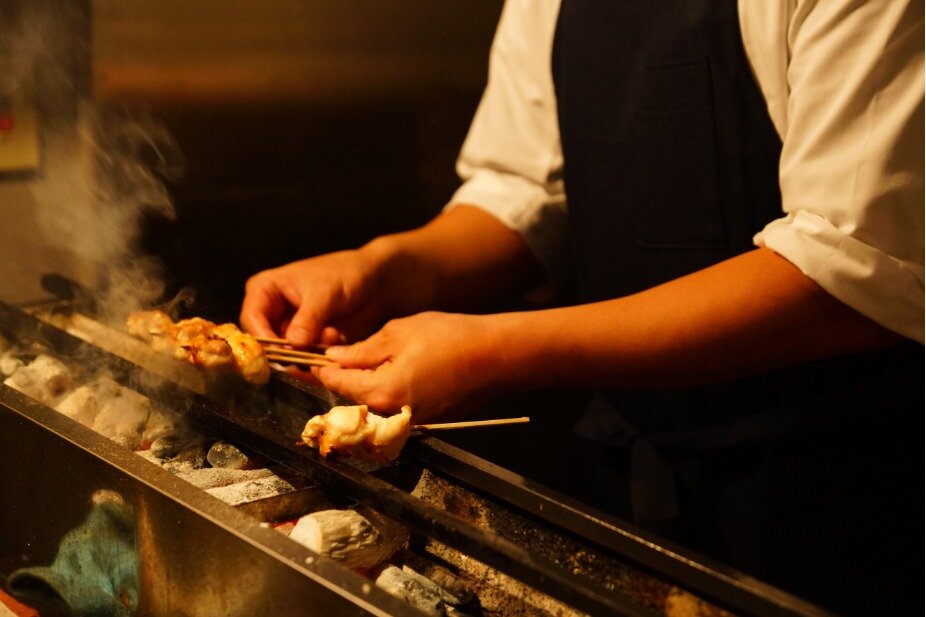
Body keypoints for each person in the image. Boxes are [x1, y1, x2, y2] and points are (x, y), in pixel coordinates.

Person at [241, 1, 923, 613]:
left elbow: (854, 270)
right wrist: (390, 266)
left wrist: (496, 351)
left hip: (836, 492)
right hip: (630, 480)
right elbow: (528, 192)